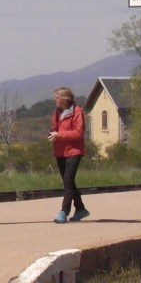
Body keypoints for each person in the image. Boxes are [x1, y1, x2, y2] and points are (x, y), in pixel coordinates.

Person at [49, 86, 88, 223]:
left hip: (74, 151)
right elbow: (55, 128)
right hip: (60, 152)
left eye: (57, 97)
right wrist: (53, 134)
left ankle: (64, 211)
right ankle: (80, 208)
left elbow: (78, 133)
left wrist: (59, 135)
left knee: (68, 180)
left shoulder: (77, 112)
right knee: (69, 181)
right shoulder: (57, 113)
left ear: (65, 99)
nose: (55, 99)